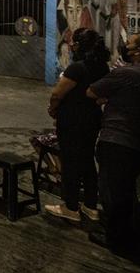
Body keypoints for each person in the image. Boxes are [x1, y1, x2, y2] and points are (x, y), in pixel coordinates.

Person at [86, 33, 140, 253]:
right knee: (124, 189)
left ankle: (116, 240)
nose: (126, 47)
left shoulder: (127, 73)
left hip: (119, 141)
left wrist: (108, 98)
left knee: (113, 192)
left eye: (130, 45)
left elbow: (92, 91)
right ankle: (126, 230)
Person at [44, 28, 110, 222]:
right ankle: (91, 206)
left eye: (74, 42)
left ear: (80, 46)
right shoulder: (102, 67)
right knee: (88, 160)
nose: (71, 45)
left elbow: (57, 94)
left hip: (72, 119)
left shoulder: (77, 68)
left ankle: (70, 207)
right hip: (92, 118)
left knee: (70, 162)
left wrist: (53, 109)